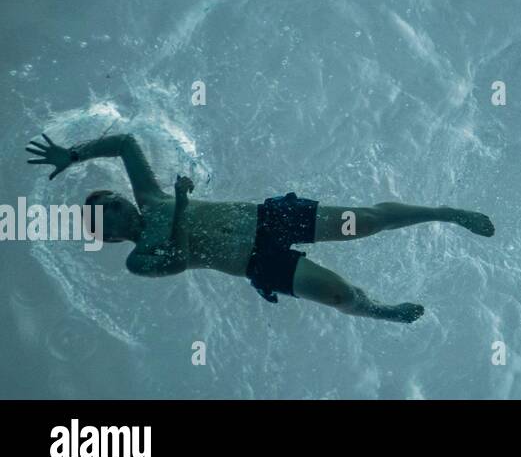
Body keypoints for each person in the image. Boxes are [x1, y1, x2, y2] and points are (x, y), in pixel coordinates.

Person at [25, 132, 493, 323]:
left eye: (117, 199)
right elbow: (180, 259)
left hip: (264, 218)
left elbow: (126, 143)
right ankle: (381, 312)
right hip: (254, 261)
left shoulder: (150, 194)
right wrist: (184, 206)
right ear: (107, 234)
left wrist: (73, 155)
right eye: (114, 213)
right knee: (340, 296)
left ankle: (446, 213)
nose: (124, 205)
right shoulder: (138, 260)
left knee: (364, 222)